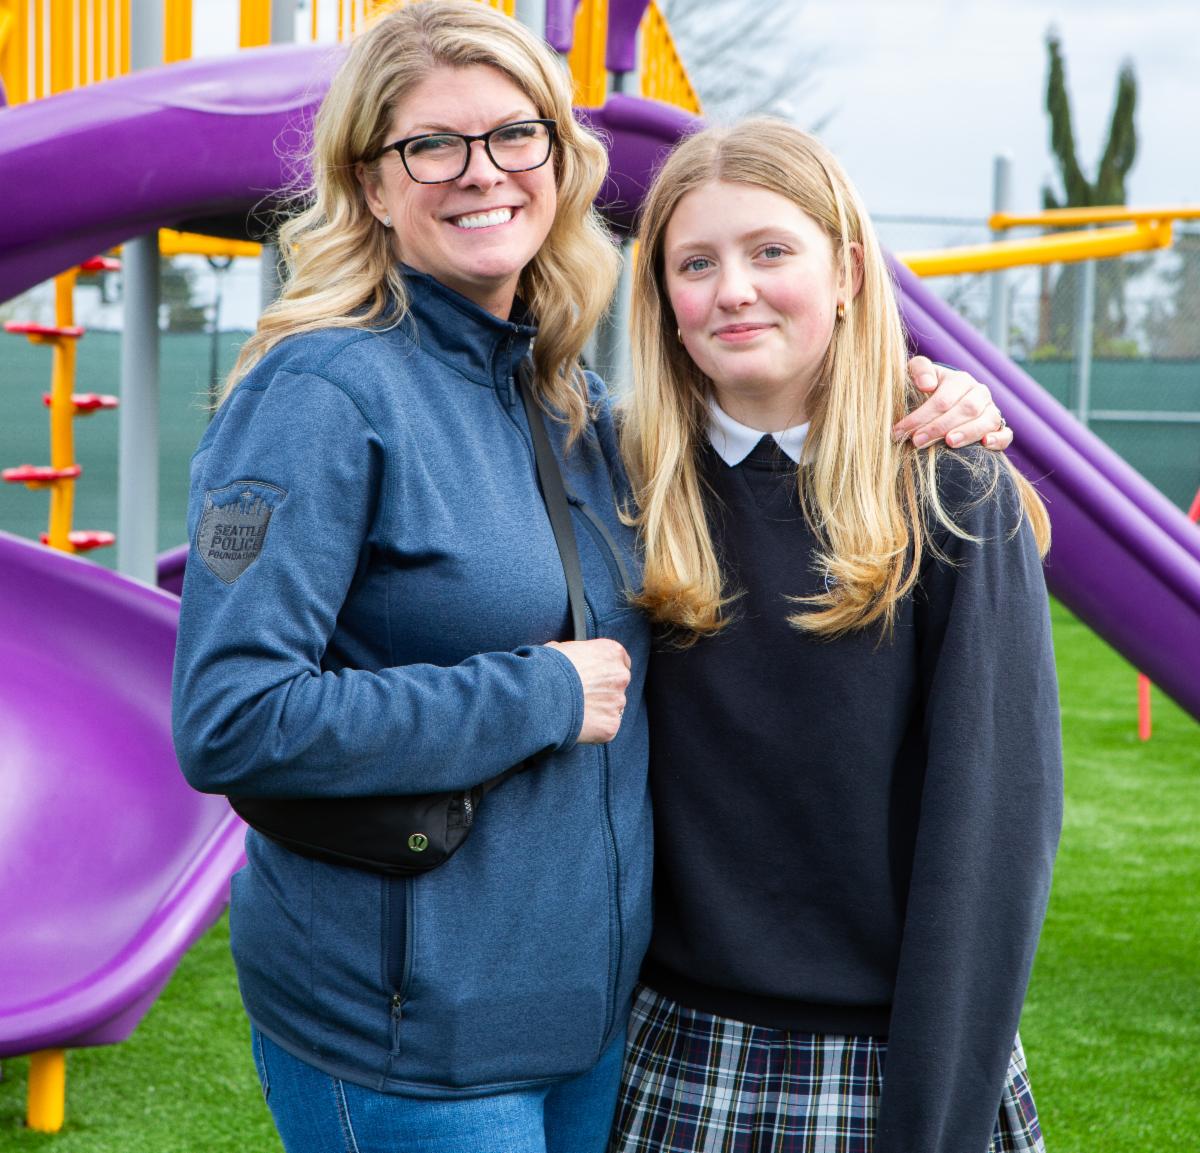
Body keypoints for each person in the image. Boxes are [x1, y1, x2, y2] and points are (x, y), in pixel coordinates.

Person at [171, 5, 1013, 1151]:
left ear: (558, 167)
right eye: (431, 145)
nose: (482, 173)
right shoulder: (322, 393)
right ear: (371, 184)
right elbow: (232, 719)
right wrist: (538, 693)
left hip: (599, 1032)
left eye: (516, 136)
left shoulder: (574, 413)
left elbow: (778, 425)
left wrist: (920, 389)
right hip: (416, 1045)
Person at [610, 120, 1062, 1153]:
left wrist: (939, 1104)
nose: (733, 289)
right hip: (675, 1053)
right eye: (696, 262)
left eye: (772, 251)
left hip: (892, 1063)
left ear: (848, 270)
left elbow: (991, 840)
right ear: (661, 297)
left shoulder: (953, 493)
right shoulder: (618, 488)